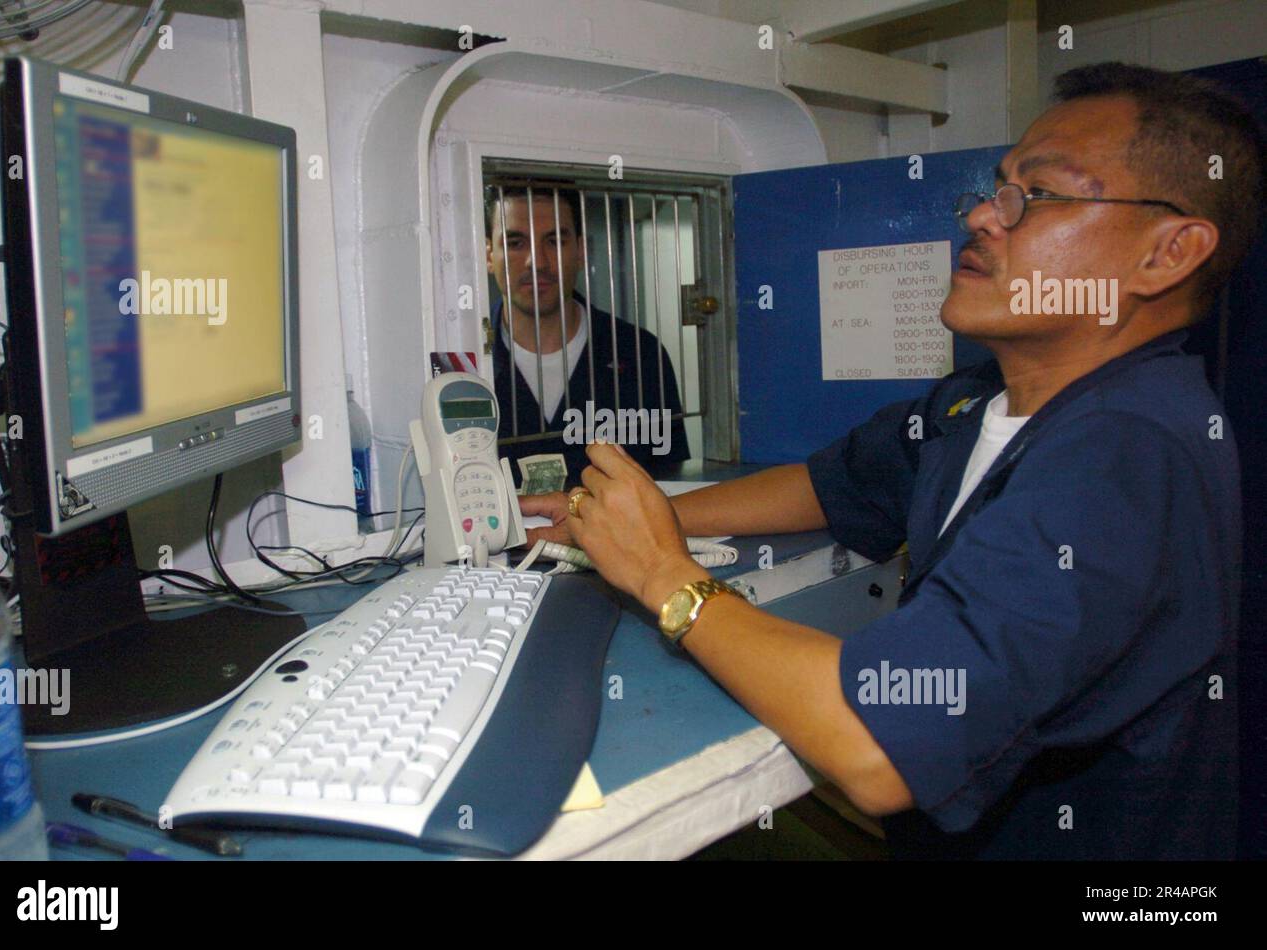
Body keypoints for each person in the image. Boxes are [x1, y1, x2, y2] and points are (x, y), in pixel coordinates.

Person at [522, 62, 1263, 859]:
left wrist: (666, 577)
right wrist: (618, 518)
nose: (983, 214)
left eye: (1037, 195)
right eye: (994, 188)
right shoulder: (974, 405)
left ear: (1169, 252)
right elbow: (825, 484)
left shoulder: (1126, 459)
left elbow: (878, 746)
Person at [484, 185, 690, 486]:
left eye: (554, 241)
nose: (536, 262)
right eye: (515, 243)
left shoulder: (641, 355)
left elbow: (671, 480)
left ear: (580, 252)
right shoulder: (465, 364)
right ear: (489, 255)